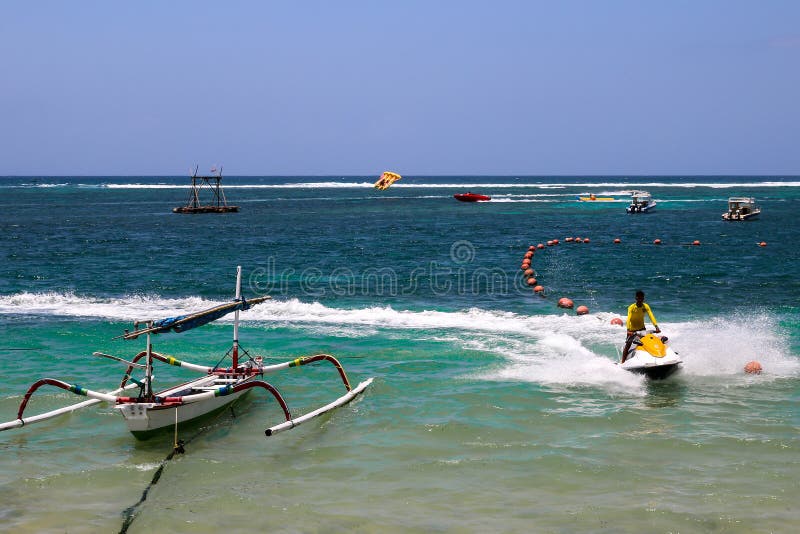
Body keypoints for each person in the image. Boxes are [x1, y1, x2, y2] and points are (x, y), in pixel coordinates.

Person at [621, 290, 660, 363]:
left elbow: (651, 316)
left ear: (643, 298)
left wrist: (656, 326)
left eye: (642, 298)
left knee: (646, 343)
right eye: (639, 298)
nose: (640, 300)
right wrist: (628, 330)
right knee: (628, 345)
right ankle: (622, 362)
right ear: (636, 298)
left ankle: (649, 359)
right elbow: (628, 319)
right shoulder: (631, 307)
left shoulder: (645, 306)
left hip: (642, 328)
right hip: (631, 330)